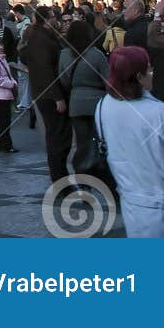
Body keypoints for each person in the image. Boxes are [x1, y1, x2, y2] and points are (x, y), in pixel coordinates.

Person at [95, 45, 164, 237]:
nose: (152, 73)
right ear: (138, 76)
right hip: (157, 202)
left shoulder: (103, 105)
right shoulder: (158, 113)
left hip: (130, 200)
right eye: (148, 69)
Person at [20, 10, 71, 183]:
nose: (56, 20)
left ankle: (60, 176)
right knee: (57, 137)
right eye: (53, 17)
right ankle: (59, 178)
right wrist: (58, 97)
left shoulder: (40, 36)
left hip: (45, 92)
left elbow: (25, 57)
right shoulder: (41, 39)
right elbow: (45, 70)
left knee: (58, 136)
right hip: (49, 95)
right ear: (47, 20)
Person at [57, 17, 108, 173]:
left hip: (76, 103)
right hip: (97, 103)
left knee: (82, 141)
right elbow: (108, 80)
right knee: (99, 139)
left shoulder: (64, 55)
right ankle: (99, 169)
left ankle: (82, 171)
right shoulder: (97, 55)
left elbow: (63, 80)